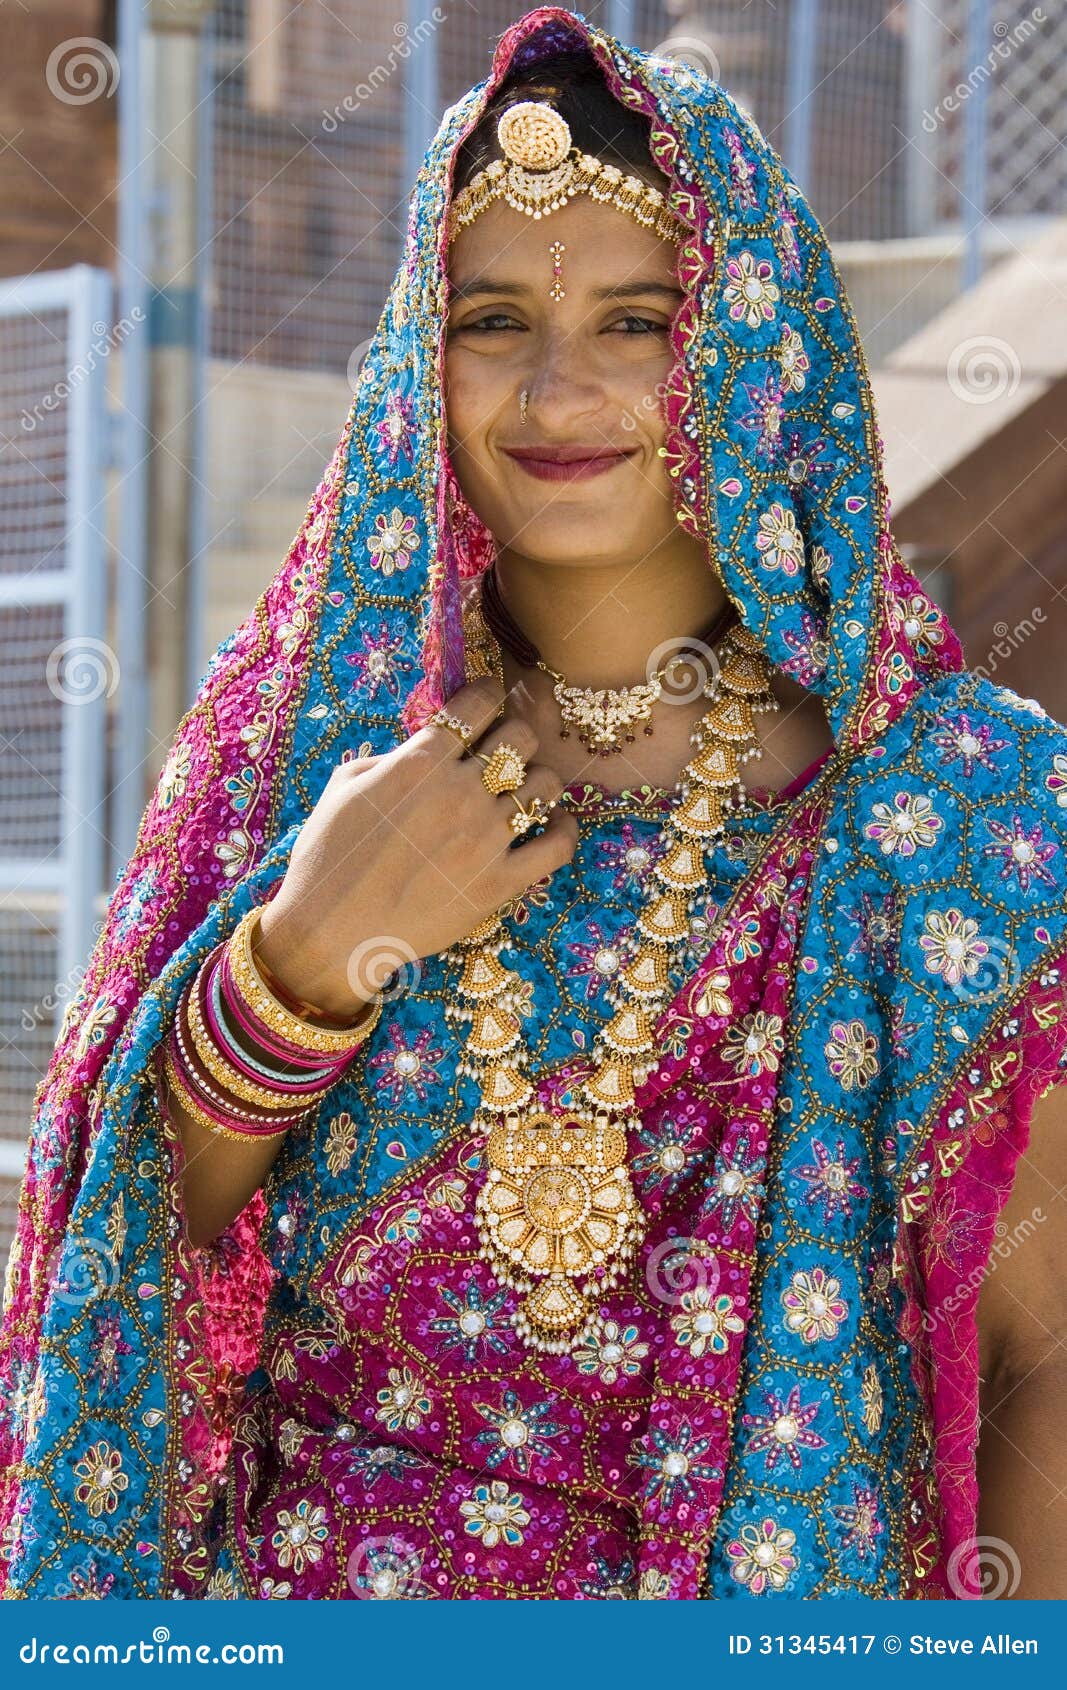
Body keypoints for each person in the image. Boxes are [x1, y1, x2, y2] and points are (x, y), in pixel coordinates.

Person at [2, 5, 1066, 1602]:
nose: (557, 390)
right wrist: (306, 955)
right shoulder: (295, 743)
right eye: (493, 317)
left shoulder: (969, 812)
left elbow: (1041, 1368)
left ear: (749, 343)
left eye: (639, 321)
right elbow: (113, 1258)